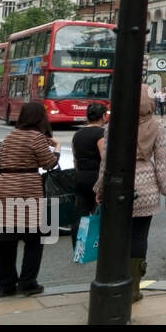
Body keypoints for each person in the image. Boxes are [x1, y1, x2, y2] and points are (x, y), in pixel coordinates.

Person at [95, 89, 166, 303]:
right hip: (147, 187)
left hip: (118, 185)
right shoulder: (156, 126)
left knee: (116, 237)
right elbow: (162, 161)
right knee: (139, 237)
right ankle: (133, 289)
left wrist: (100, 188)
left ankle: (114, 281)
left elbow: (106, 162)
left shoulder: (113, 126)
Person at [0, 102, 60, 297]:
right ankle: (27, 282)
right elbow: (50, 164)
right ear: (40, 118)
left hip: (3, 188)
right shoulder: (36, 138)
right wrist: (57, 147)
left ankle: (5, 286)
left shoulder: (9, 136)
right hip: (26, 189)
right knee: (34, 239)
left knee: (4, 240)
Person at [70, 103, 107, 249]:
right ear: (103, 116)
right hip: (96, 177)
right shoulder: (101, 134)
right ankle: (98, 247)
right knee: (101, 213)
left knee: (81, 215)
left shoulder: (77, 134)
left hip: (80, 176)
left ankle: (78, 248)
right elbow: (105, 158)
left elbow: (75, 158)